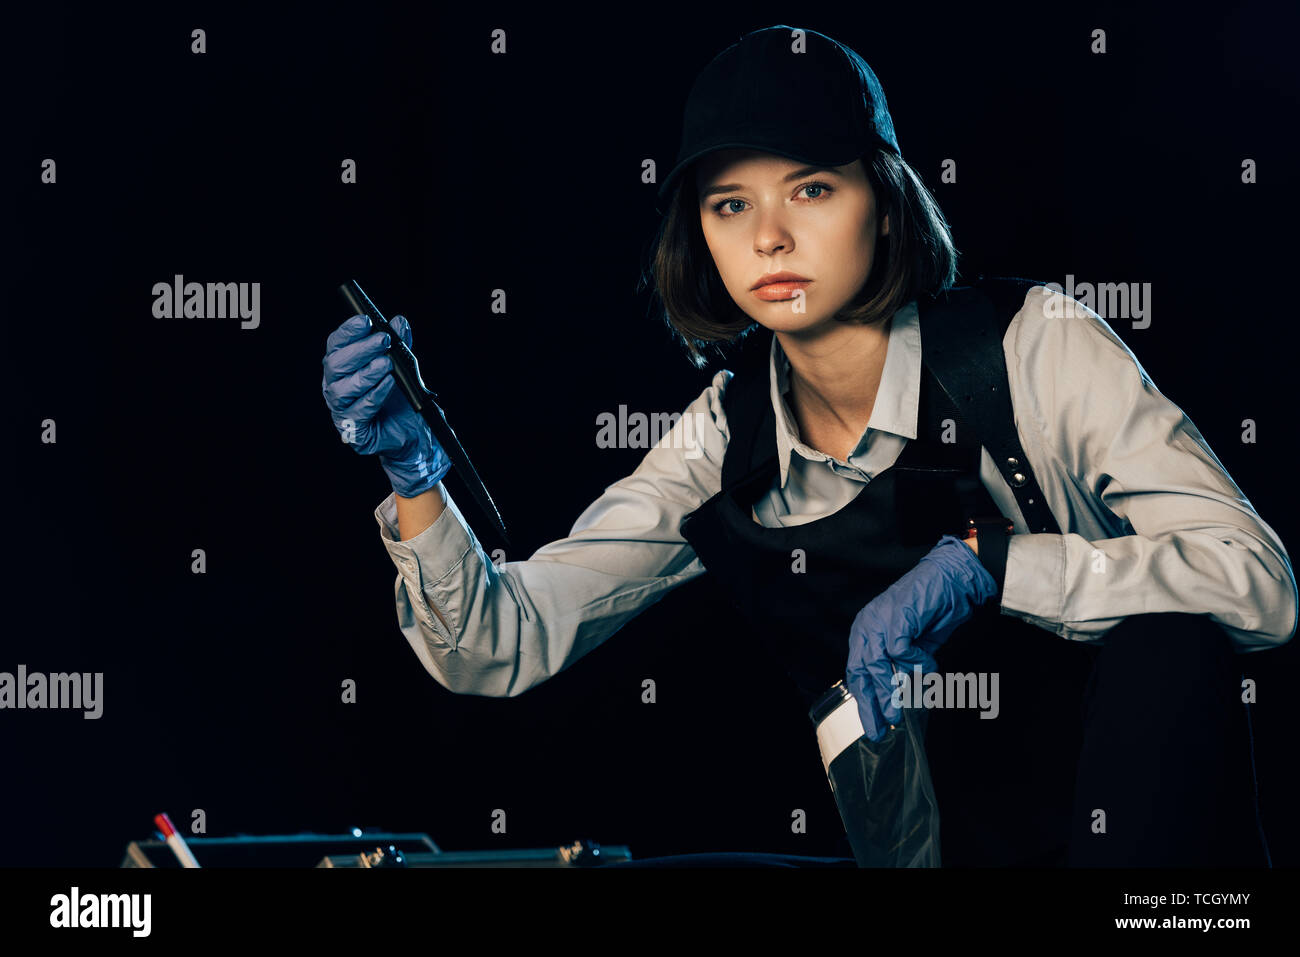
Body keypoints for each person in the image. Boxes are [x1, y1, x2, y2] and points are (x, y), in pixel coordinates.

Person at [321, 25, 1296, 867]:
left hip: (1146, 875)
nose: (770, 238)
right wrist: (415, 472)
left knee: (1168, 645)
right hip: (921, 852)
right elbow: (501, 642)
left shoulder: (1029, 346)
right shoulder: (723, 434)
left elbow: (1256, 582)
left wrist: (987, 564)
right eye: (730, 204)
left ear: (883, 197)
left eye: (811, 189)